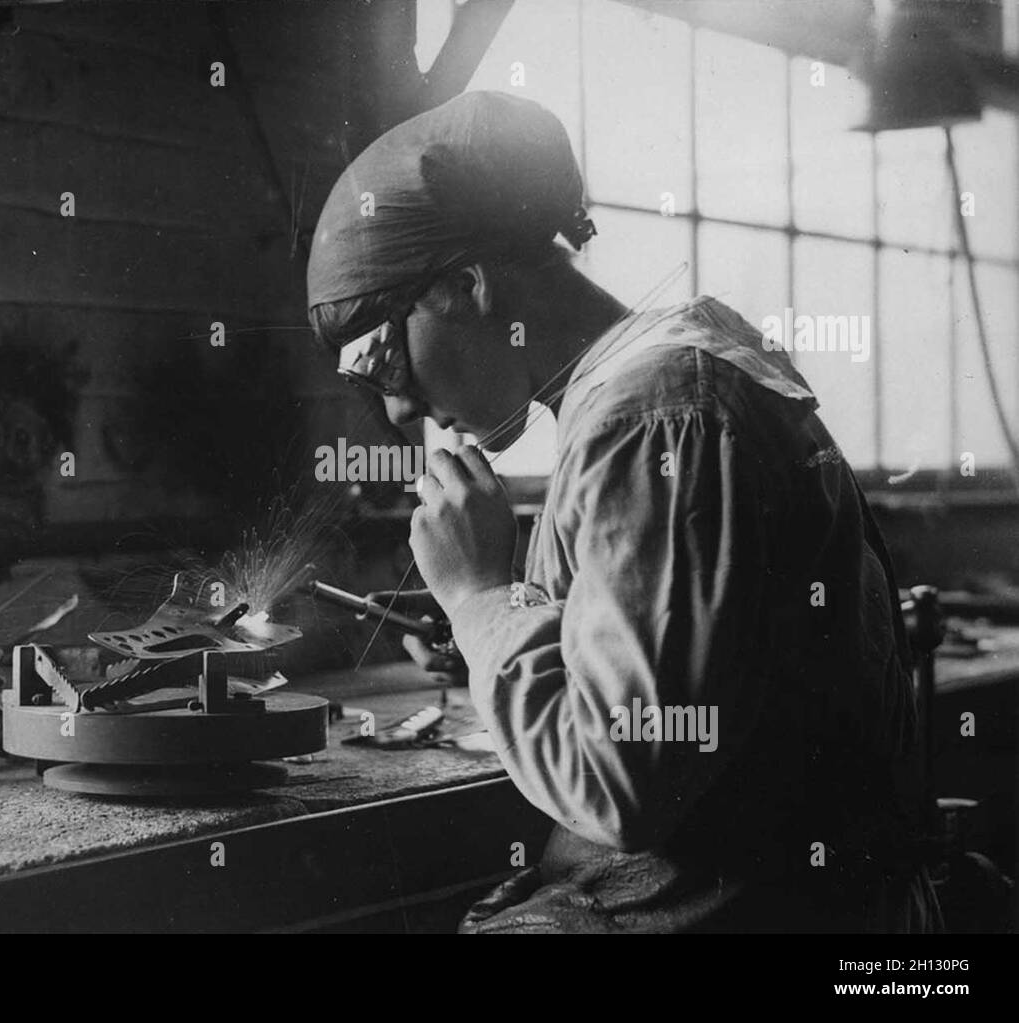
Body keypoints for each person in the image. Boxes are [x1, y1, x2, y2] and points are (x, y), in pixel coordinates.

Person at [306, 91, 941, 933]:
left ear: (467, 283)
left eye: (384, 356)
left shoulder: (652, 417)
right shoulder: (677, 374)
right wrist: (492, 627)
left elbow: (620, 783)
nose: (399, 413)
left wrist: (482, 602)